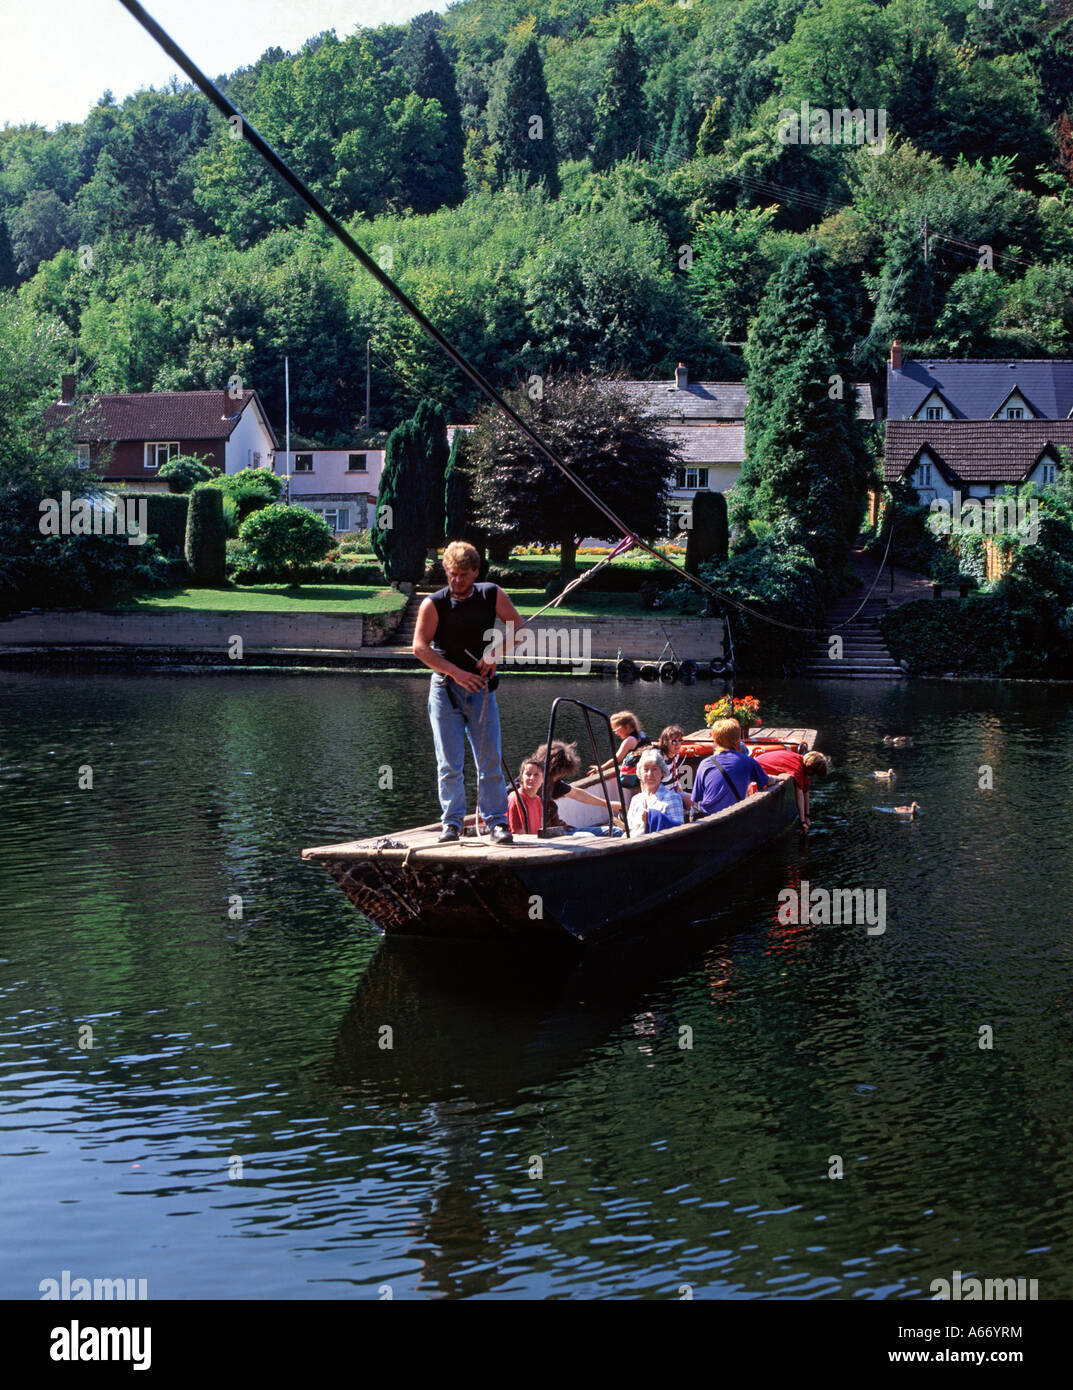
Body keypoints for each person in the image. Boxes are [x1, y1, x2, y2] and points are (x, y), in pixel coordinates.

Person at [413, 540, 522, 845]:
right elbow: (420, 647)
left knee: (489, 760)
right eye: (451, 574)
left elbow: (520, 629)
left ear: (476, 571)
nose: (457, 580)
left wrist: (495, 653)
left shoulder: (491, 594)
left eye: (463, 574)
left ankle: (497, 822)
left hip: (482, 690)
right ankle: (451, 823)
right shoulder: (433, 603)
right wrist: (457, 673)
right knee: (449, 762)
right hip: (446, 689)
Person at [532, 740, 623, 834]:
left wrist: (609, 805)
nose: (560, 776)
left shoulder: (553, 782)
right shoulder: (528, 787)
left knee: (616, 831)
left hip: (561, 830)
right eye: (560, 774)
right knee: (590, 836)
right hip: (552, 836)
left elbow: (577, 794)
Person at [693, 718, 770, 817]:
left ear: (715, 740)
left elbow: (697, 798)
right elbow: (766, 781)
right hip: (732, 817)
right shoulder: (748, 761)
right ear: (738, 740)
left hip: (707, 817)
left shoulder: (704, 764)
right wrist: (775, 779)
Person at [754, 746, 831, 833]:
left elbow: (806, 791)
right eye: (814, 773)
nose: (812, 775)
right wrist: (802, 822)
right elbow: (800, 794)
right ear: (810, 769)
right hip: (757, 768)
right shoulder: (797, 769)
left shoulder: (800, 760)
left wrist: (807, 816)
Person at [627, 749, 684, 835]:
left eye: (655, 769)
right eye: (646, 769)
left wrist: (651, 817)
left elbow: (679, 830)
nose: (650, 774)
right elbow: (630, 830)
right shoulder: (635, 800)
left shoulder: (672, 797)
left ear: (662, 772)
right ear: (640, 773)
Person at [588, 711, 650, 787]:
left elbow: (617, 759)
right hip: (648, 771)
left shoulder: (629, 740)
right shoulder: (642, 735)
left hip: (639, 775)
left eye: (617, 730)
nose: (616, 733)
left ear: (627, 727)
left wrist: (601, 768)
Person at [657, 724, 692, 811]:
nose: (677, 744)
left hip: (673, 792)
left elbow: (674, 780)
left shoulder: (674, 756)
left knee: (696, 802)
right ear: (665, 742)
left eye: (680, 741)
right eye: (673, 741)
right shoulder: (660, 759)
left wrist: (680, 792)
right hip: (662, 797)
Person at [507, 758, 544, 836]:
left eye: (536, 775)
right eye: (528, 774)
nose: (532, 778)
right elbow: (518, 834)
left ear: (542, 779)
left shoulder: (538, 800)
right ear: (521, 778)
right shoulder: (515, 798)